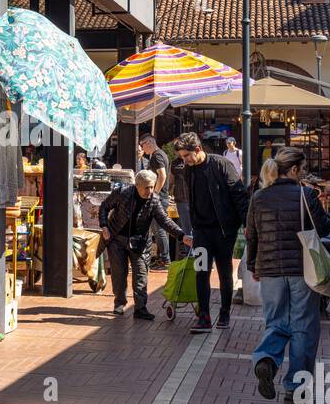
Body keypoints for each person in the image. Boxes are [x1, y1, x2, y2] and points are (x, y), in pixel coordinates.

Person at [246, 146, 330, 402]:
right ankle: (296, 384)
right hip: (302, 269)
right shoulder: (305, 194)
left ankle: (266, 359)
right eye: (303, 169)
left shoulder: (259, 197)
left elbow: (252, 234)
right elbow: (324, 226)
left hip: (270, 269)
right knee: (303, 325)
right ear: (295, 169)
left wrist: (253, 265)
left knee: (276, 321)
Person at [177, 132, 250, 332]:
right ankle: (204, 317)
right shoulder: (188, 170)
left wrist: (245, 222)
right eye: (182, 157)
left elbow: (239, 194)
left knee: (225, 273)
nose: (185, 160)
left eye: (186, 155)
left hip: (224, 231)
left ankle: (224, 313)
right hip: (201, 232)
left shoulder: (221, 165)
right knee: (201, 272)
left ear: (198, 149)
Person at [99, 170, 190, 320]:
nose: (150, 191)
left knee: (141, 275)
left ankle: (140, 308)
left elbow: (164, 220)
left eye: (152, 187)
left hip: (140, 241)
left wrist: (181, 235)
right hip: (117, 238)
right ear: (137, 186)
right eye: (146, 188)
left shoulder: (154, 200)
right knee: (119, 274)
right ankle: (119, 303)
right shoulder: (122, 192)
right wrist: (104, 226)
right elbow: (104, 207)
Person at [137, 134, 171, 270]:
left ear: (150, 142)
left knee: (159, 229)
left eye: (143, 144)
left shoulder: (157, 155)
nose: (142, 148)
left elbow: (162, 175)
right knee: (157, 229)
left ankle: (165, 259)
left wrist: (154, 193)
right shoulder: (159, 154)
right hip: (161, 196)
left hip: (159, 197)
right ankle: (162, 258)